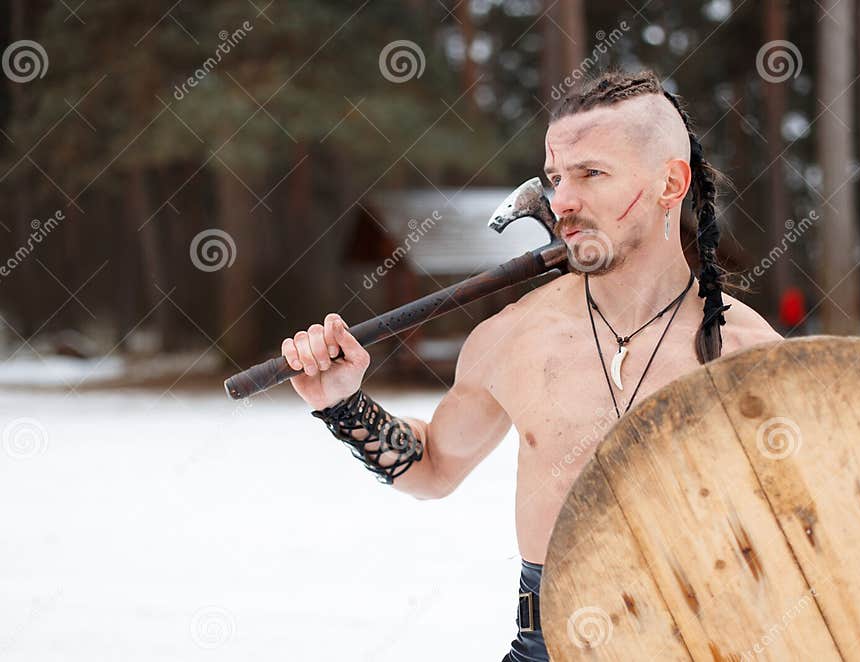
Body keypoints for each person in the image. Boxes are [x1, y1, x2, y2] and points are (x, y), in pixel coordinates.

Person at [280, 69, 783, 662]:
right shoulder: (513, 337)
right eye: (555, 178)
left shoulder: (752, 355)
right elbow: (435, 467)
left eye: (592, 173)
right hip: (548, 644)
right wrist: (342, 404)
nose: (563, 200)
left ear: (670, 183)